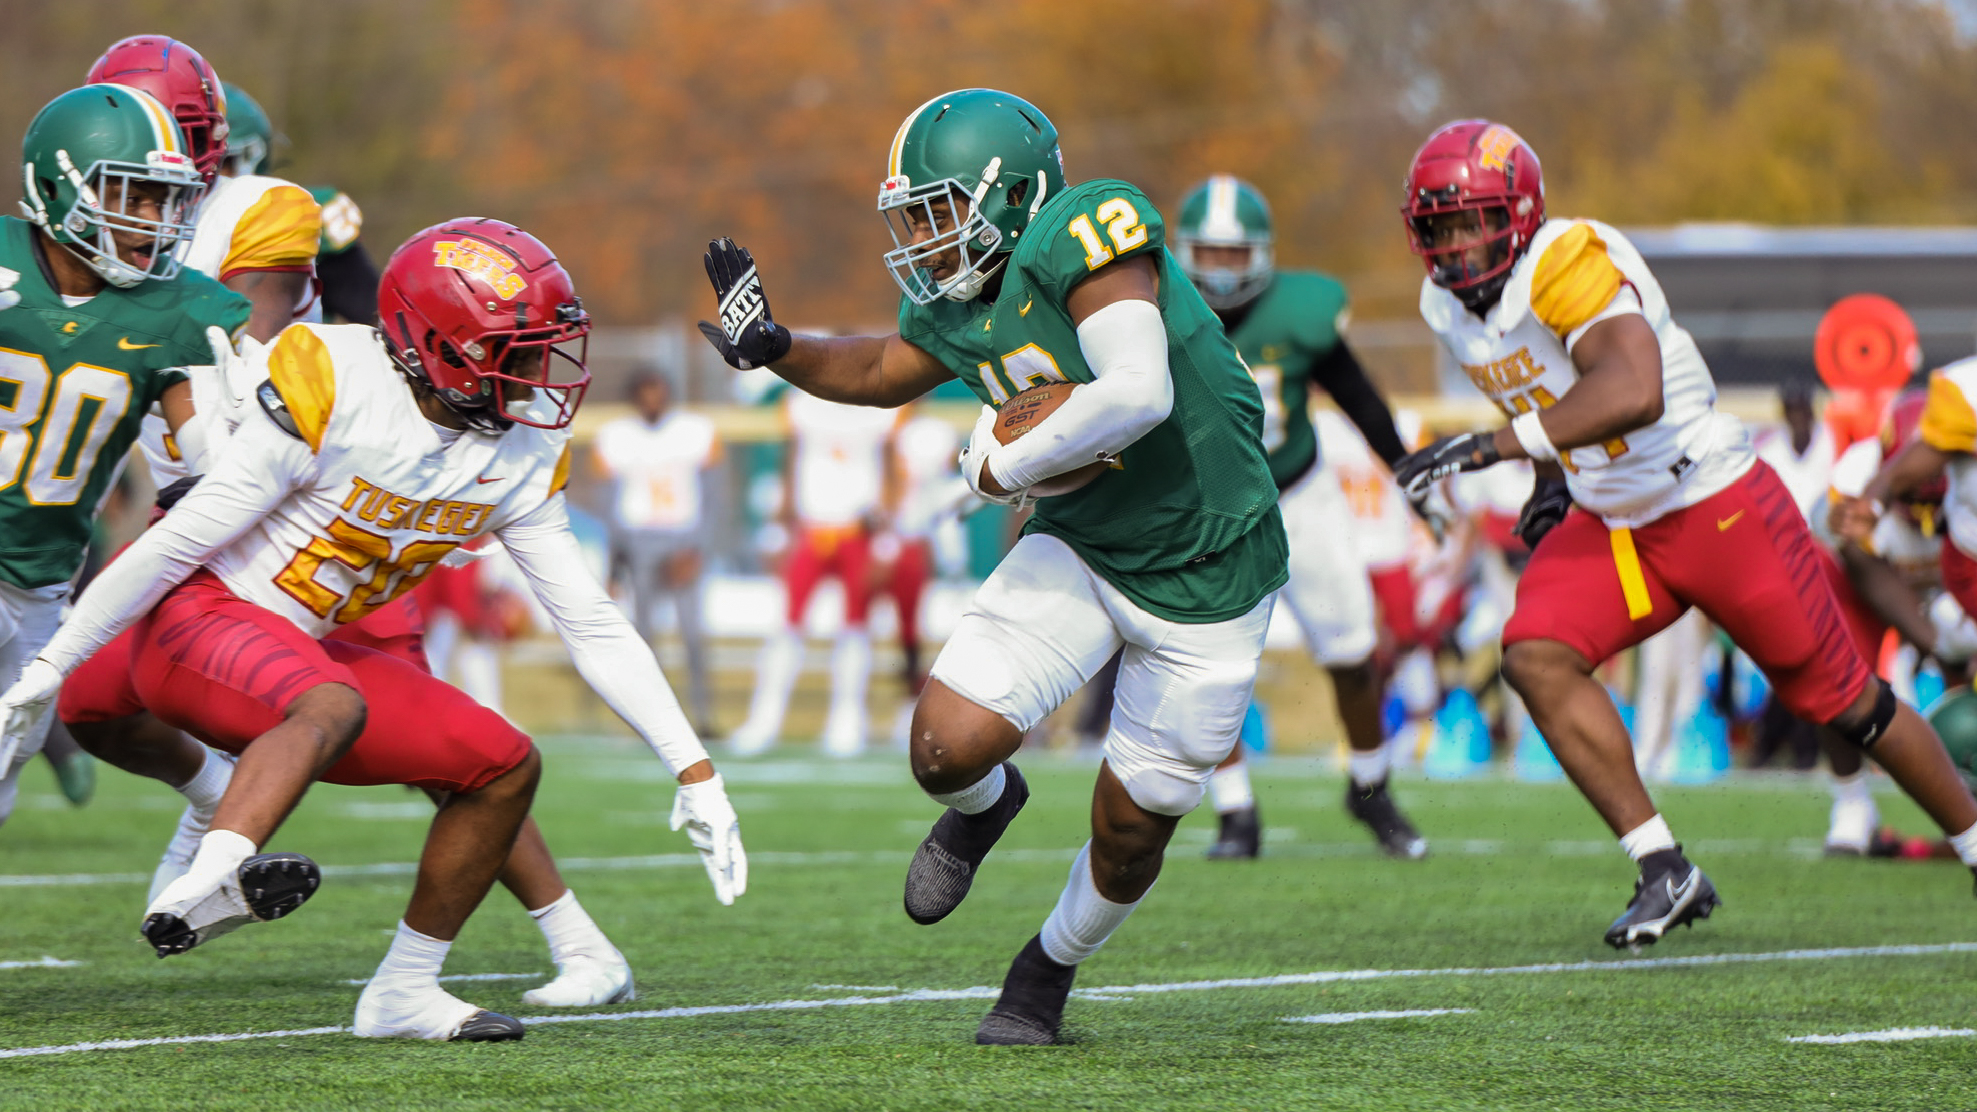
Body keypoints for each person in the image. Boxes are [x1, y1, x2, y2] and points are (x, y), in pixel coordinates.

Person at [0, 218, 746, 1041]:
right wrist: (48, 661)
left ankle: (404, 989)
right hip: (201, 611)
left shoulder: (524, 449)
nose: (541, 374)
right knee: (306, 704)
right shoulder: (336, 378)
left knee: (501, 764)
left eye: (544, 347)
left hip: (297, 642)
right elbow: (181, 541)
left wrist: (694, 770)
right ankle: (212, 870)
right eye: (519, 350)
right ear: (440, 347)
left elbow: (590, 619)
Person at [699, 88, 1285, 1044]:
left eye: (938, 211)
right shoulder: (961, 301)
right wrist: (778, 349)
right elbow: (882, 369)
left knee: (1133, 828)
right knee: (944, 747)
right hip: (1087, 541)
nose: (926, 239)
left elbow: (1136, 392)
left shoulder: (1083, 234)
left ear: (1011, 197)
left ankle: (1045, 969)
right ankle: (987, 808)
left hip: (1207, 565)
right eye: (912, 217)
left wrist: (1000, 464)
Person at [1389, 119, 1977, 949]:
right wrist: (1548, 479)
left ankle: (1973, 839)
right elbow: (1535, 392)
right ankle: (1662, 865)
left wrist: (1491, 449)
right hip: (1614, 518)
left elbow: (1632, 390)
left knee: (1845, 702)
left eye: (1471, 221)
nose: (1454, 246)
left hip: (1710, 500)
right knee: (1533, 655)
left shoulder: (1565, 263)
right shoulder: (1443, 307)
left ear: (1517, 214)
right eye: (1438, 227)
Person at [0, 84, 248, 826]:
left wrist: (220, 462)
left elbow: (207, 446)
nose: (151, 220)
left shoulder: (179, 309)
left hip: (44, 590)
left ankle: (220, 802)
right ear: (55, 187)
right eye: (129, 195)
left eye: (163, 199)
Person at [1170, 174, 1426, 860]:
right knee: (1208, 666)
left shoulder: (1298, 311)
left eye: (1233, 255)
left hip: (1298, 493)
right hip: (1211, 509)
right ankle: (1235, 812)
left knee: (1350, 654)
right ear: (1184, 252)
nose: (1220, 271)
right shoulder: (1156, 312)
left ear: (1260, 255)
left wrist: (1405, 469)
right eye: (1209, 254)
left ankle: (1369, 789)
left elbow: (1357, 396)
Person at [728, 387, 899, 756]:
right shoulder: (805, 406)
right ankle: (765, 719)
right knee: (789, 624)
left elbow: (890, 466)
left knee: (854, 626)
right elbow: (790, 461)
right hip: (812, 524)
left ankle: (848, 719)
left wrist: (887, 534)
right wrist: (779, 527)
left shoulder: (877, 406)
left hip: (858, 528)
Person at [594, 369, 721, 735]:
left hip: (684, 537)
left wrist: (698, 547)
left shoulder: (694, 430)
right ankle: (651, 719)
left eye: (658, 392)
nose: (653, 400)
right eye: (645, 393)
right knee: (645, 635)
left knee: (694, 635)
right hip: (639, 539)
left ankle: (702, 715)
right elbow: (608, 502)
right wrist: (616, 560)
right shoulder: (616, 435)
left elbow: (714, 494)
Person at [218, 80, 381, 325]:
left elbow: (382, 326)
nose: (205, 175)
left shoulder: (299, 220)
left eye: (222, 164)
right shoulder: (149, 232)